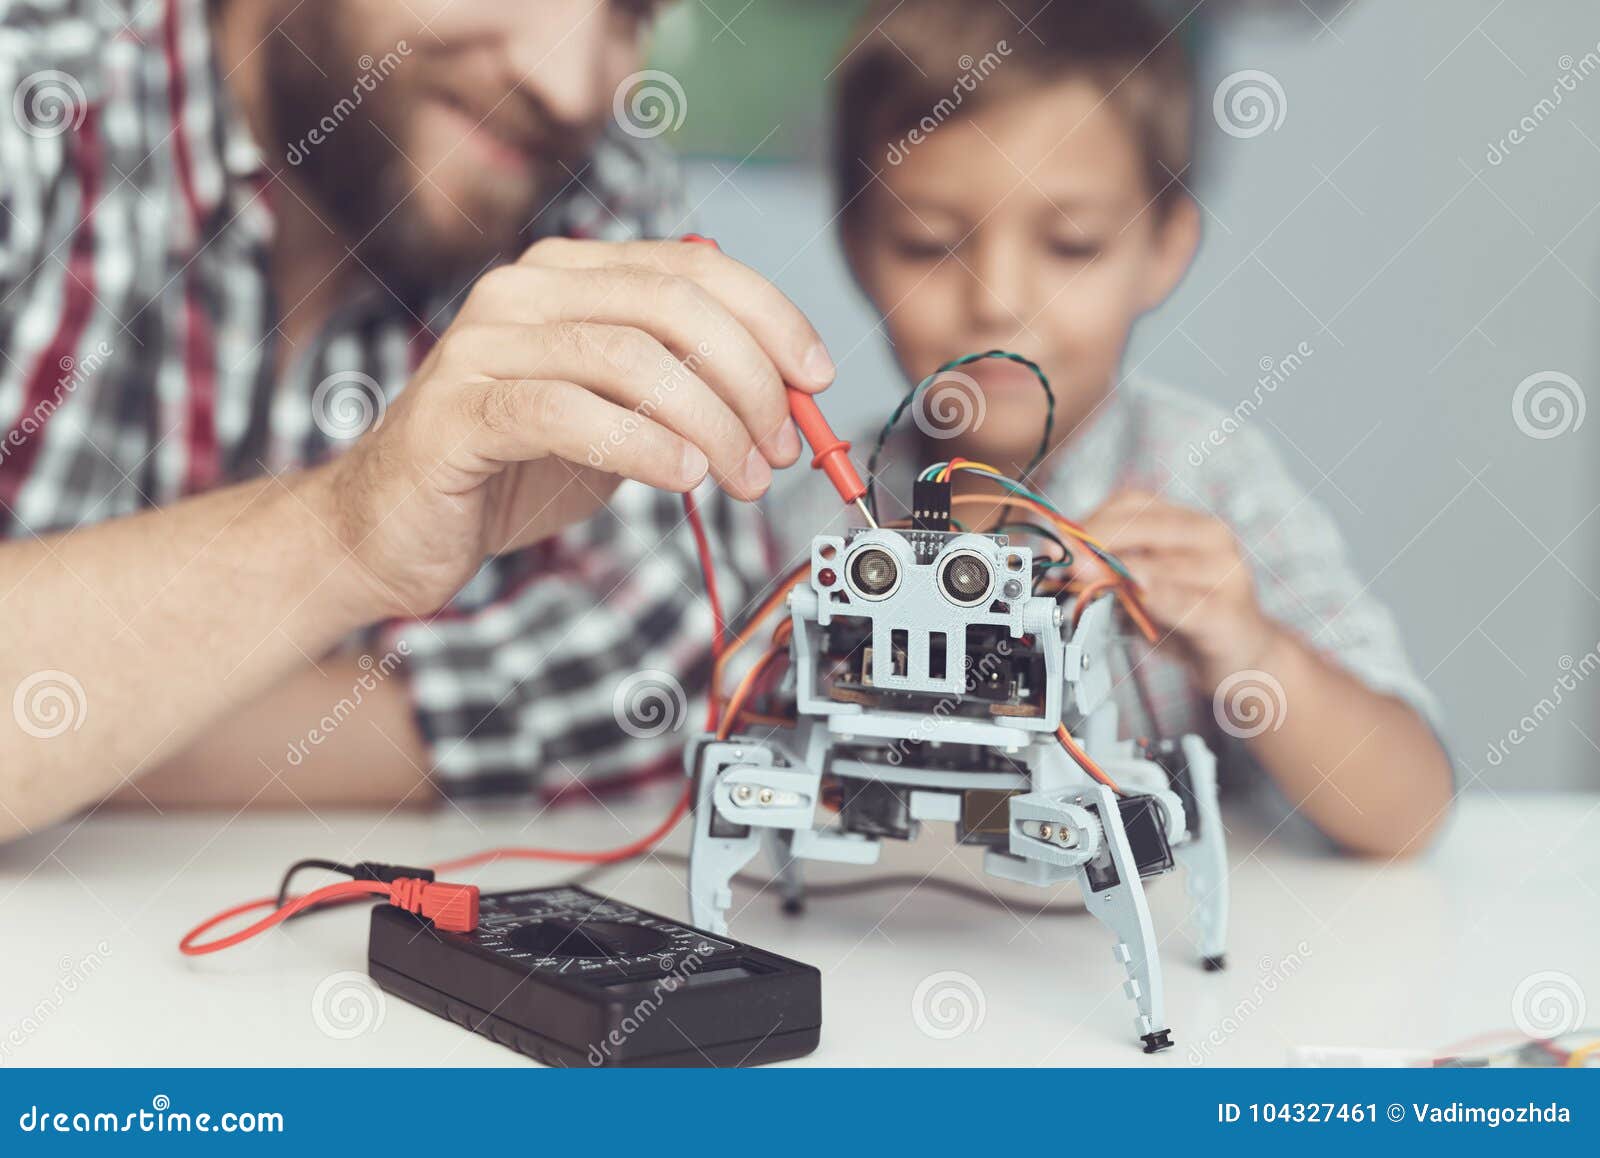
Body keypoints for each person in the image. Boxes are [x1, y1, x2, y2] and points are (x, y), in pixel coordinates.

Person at [0, 0, 823, 838]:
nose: (569, 85)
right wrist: (346, 532)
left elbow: (676, 667)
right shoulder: (27, 105)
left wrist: (75, 716)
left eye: (632, 13)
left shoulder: (592, 179)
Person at [785, 0, 1453, 855]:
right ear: (855, 247)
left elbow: (1408, 813)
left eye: (1072, 244)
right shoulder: (812, 523)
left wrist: (1255, 651)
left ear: (1167, 247)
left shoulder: (1211, 482)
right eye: (926, 243)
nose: (998, 301)